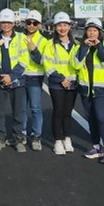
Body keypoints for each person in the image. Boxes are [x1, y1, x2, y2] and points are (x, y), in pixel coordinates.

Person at [75, 18, 104, 164]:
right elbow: (75, 64)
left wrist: (99, 47)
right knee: (91, 118)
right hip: (85, 89)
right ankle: (95, 146)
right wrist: (84, 48)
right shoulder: (80, 47)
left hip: (102, 90)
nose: (92, 33)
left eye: (95, 30)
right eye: (89, 30)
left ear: (100, 33)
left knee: (102, 117)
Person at [38, 12, 80, 155]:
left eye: (65, 25)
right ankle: (57, 140)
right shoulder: (50, 45)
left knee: (67, 113)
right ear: (55, 27)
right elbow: (47, 65)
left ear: (70, 26)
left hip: (73, 83)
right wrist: (61, 79)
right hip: (57, 84)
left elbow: (79, 64)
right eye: (60, 25)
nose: (62, 28)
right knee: (58, 111)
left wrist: (70, 80)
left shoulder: (76, 45)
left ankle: (67, 138)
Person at [0, 8, 28, 151]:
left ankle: (18, 140)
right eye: (3, 22)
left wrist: (12, 76)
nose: (6, 25)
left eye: (8, 22)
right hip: (0, 81)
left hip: (17, 81)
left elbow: (24, 59)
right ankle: (0, 138)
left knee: (18, 112)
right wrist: (1, 75)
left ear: (13, 23)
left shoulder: (21, 38)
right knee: (0, 112)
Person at [19, 10, 47, 151]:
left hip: (35, 77)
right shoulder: (19, 38)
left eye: (34, 23)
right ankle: (22, 133)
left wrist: (34, 50)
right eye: (29, 22)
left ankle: (37, 135)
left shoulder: (43, 41)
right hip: (21, 76)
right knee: (22, 108)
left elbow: (44, 61)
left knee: (35, 108)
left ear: (39, 25)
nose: (31, 25)